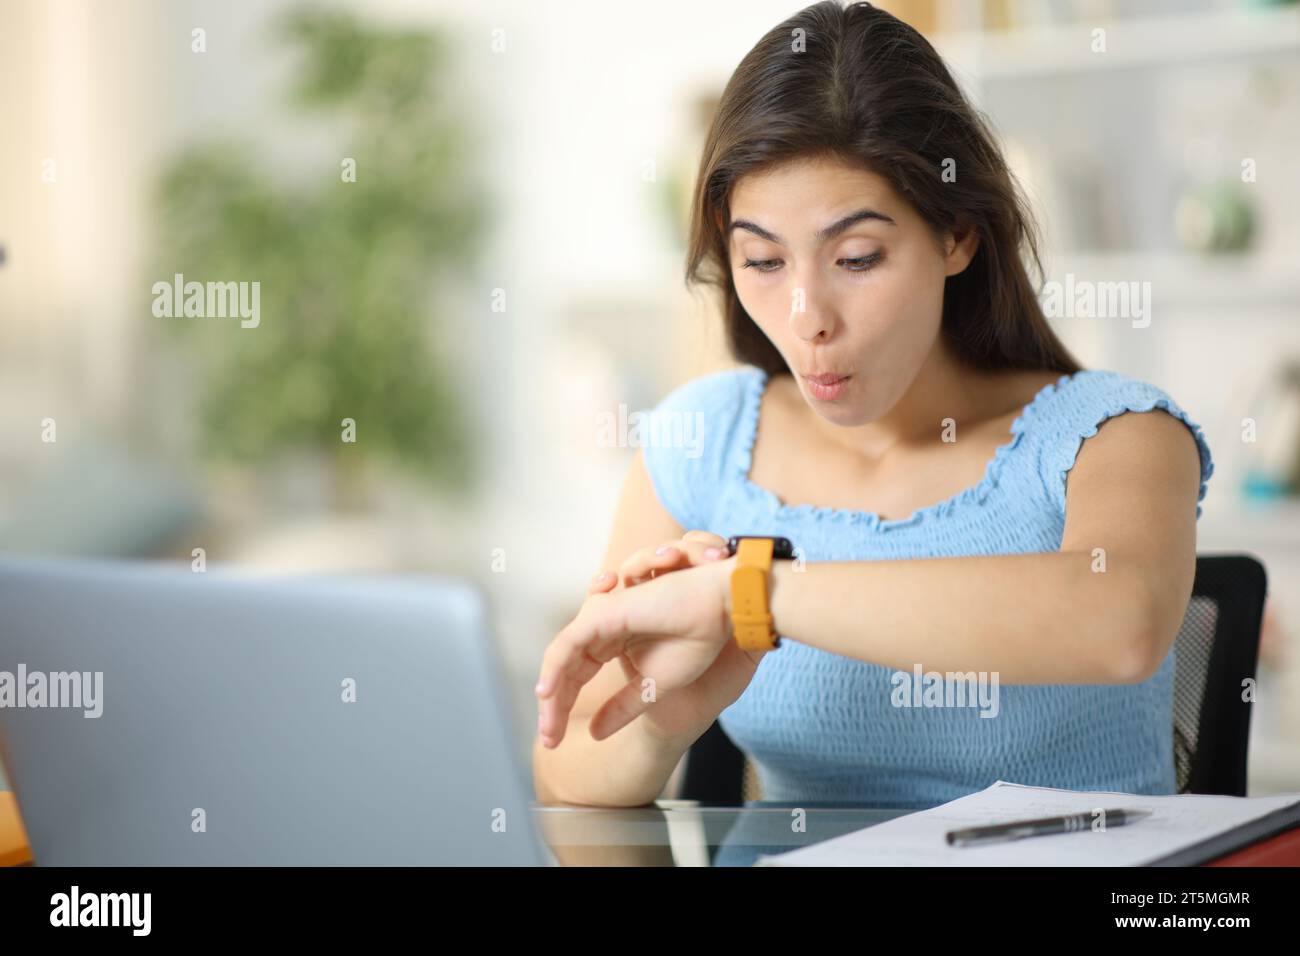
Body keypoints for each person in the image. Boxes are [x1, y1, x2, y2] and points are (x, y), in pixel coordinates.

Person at [533, 0, 1212, 810]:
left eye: (856, 257)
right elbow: (565, 763)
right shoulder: (703, 440)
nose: (806, 316)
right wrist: (664, 720)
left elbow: (1121, 620)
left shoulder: (1115, 434)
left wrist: (747, 595)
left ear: (957, 234)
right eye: (761, 259)